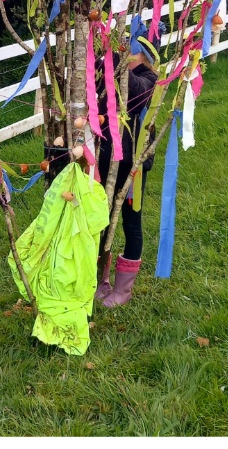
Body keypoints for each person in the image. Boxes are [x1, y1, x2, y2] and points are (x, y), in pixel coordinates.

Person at [93, 32, 160, 307]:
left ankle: (123, 289)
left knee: (131, 222)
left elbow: (133, 91)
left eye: (128, 51)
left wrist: (112, 55)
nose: (124, 55)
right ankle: (100, 279)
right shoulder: (112, 74)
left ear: (143, 56)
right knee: (101, 219)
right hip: (106, 160)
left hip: (133, 165)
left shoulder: (151, 79)